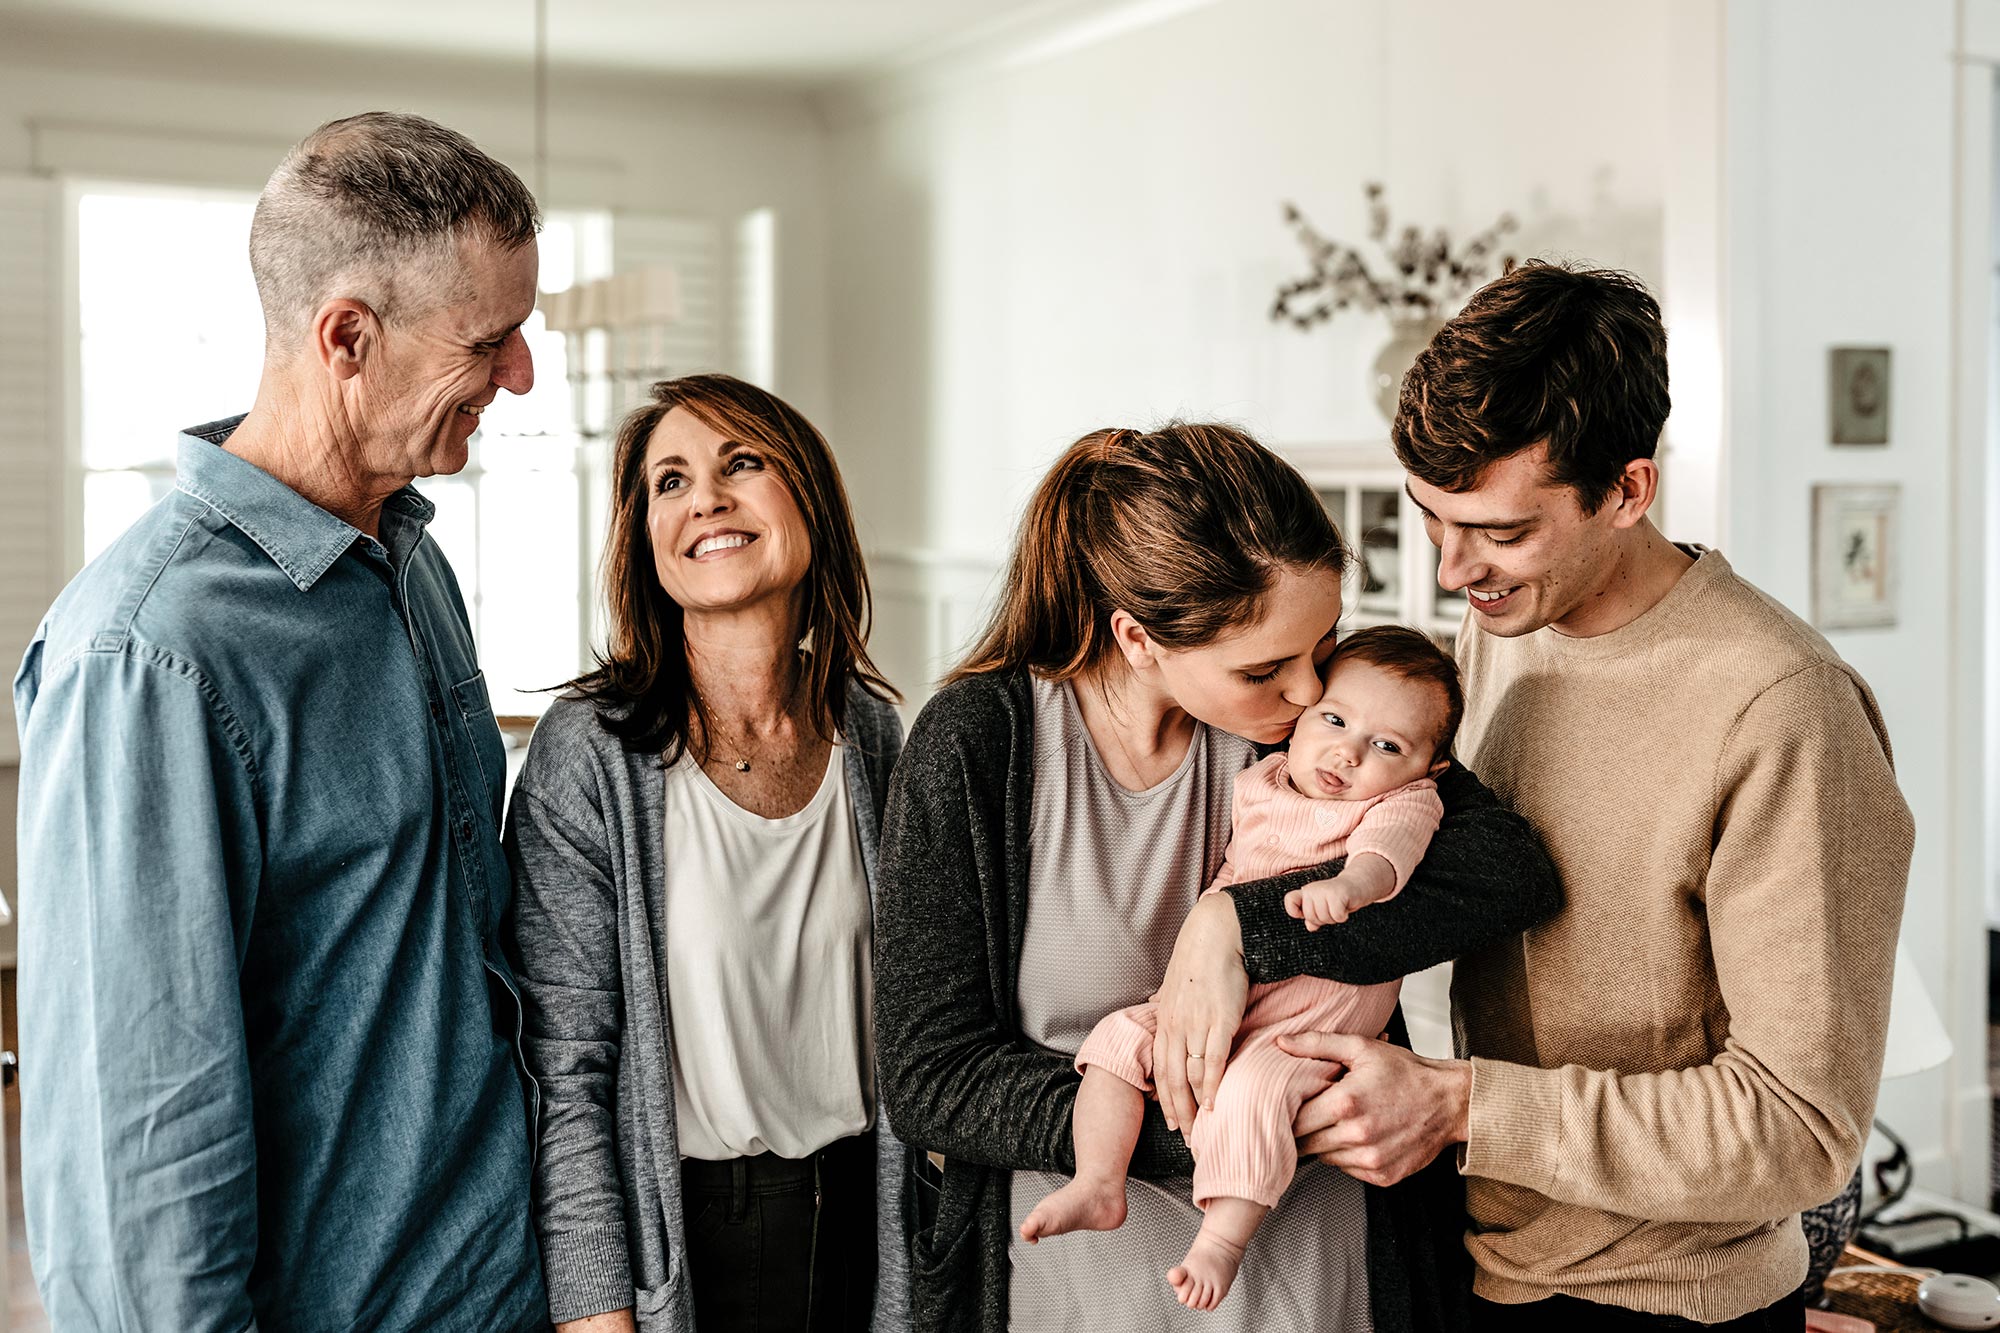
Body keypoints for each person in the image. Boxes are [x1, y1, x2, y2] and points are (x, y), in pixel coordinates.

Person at [1274, 262, 1916, 1330]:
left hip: (1655, 1301)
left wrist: (1461, 1105)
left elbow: (1801, 1125)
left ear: (1627, 491)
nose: (1449, 570)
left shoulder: (1780, 707)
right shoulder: (1503, 629)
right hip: (1482, 1253)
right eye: (1432, 517)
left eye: (1499, 530)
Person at [13, 112, 548, 1329]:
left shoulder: (409, 565)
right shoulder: (148, 653)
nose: (520, 375)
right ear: (346, 337)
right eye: (490, 340)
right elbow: (134, 1151)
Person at [874, 422, 1562, 1333]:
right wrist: (1231, 1122)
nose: (1308, 688)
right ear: (1139, 637)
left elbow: (1507, 871)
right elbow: (932, 1075)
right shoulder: (981, 743)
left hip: (1319, 1276)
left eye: (1318, 645)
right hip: (1081, 1289)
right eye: (1267, 668)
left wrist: (1239, 922)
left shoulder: (1306, 730)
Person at [507, 374, 909, 1333]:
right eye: (671, 482)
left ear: (807, 497)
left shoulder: (875, 738)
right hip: (696, 1249)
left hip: (868, 1228)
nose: (707, 500)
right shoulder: (590, 752)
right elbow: (566, 1067)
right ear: (648, 538)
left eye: (743, 464)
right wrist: (597, 1309)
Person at [1021, 626, 1460, 1313]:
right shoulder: (1265, 775)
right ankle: (1099, 1178)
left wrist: (1347, 889)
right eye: (1335, 721)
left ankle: (1223, 1239)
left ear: (1429, 770)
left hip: (1308, 1018)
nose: (1346, 752)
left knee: (1257, 1093)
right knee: (1117, 1041)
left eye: (1387, 746)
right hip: (1213, 999)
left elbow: (1386, 859)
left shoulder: (1402, 804)